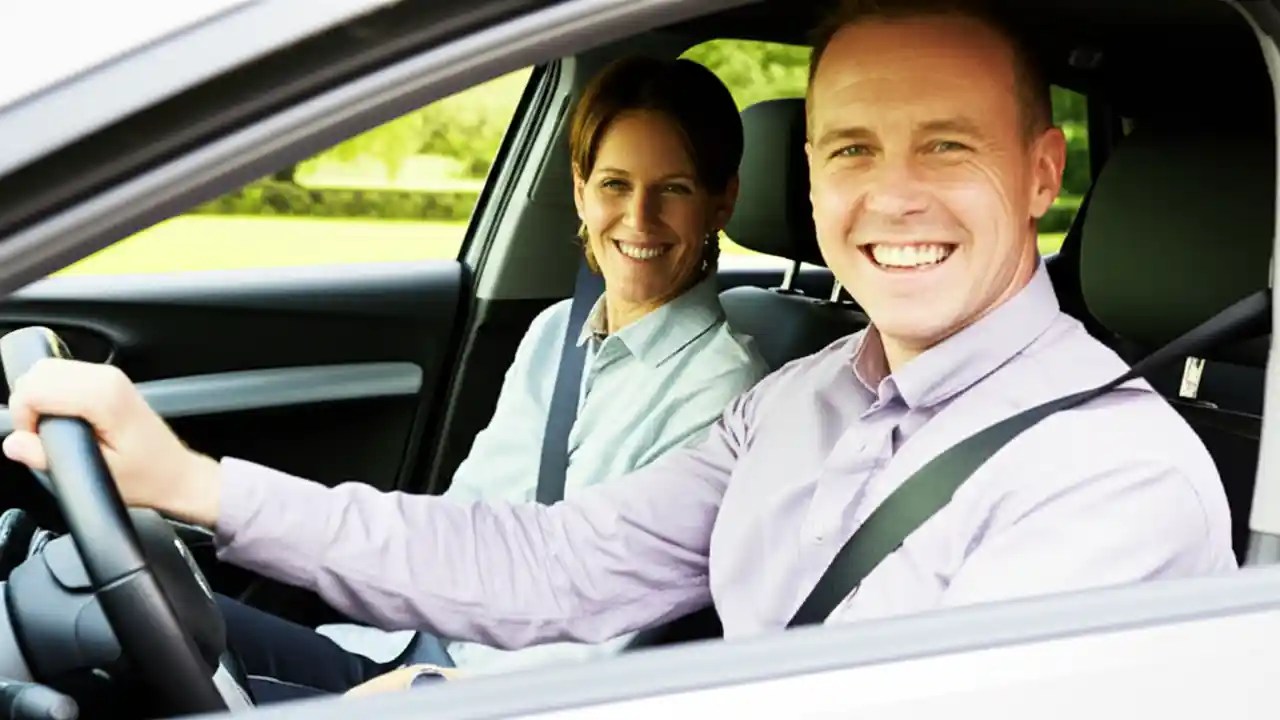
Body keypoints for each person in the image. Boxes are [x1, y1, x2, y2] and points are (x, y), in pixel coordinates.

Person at [4, 0, 1236, 700]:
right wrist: (193, 486)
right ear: (807, 180)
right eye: (851, 149)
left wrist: (461, 704)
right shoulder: (800, 397)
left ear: (1039, 173)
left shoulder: (1111, 479)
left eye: (947, 147)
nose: (891, 196)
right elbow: (551, 562)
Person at [1, 55, 770, 702]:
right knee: (131, 609)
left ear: (721, 201)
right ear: (577, 189)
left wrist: (431, 696)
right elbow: (467, 516)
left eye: (672, 189)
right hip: (405, 643)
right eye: (613, 184)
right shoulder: (551, 337)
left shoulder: (728, 393)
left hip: (480, 694)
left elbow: (599, 616)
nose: (638, 218)